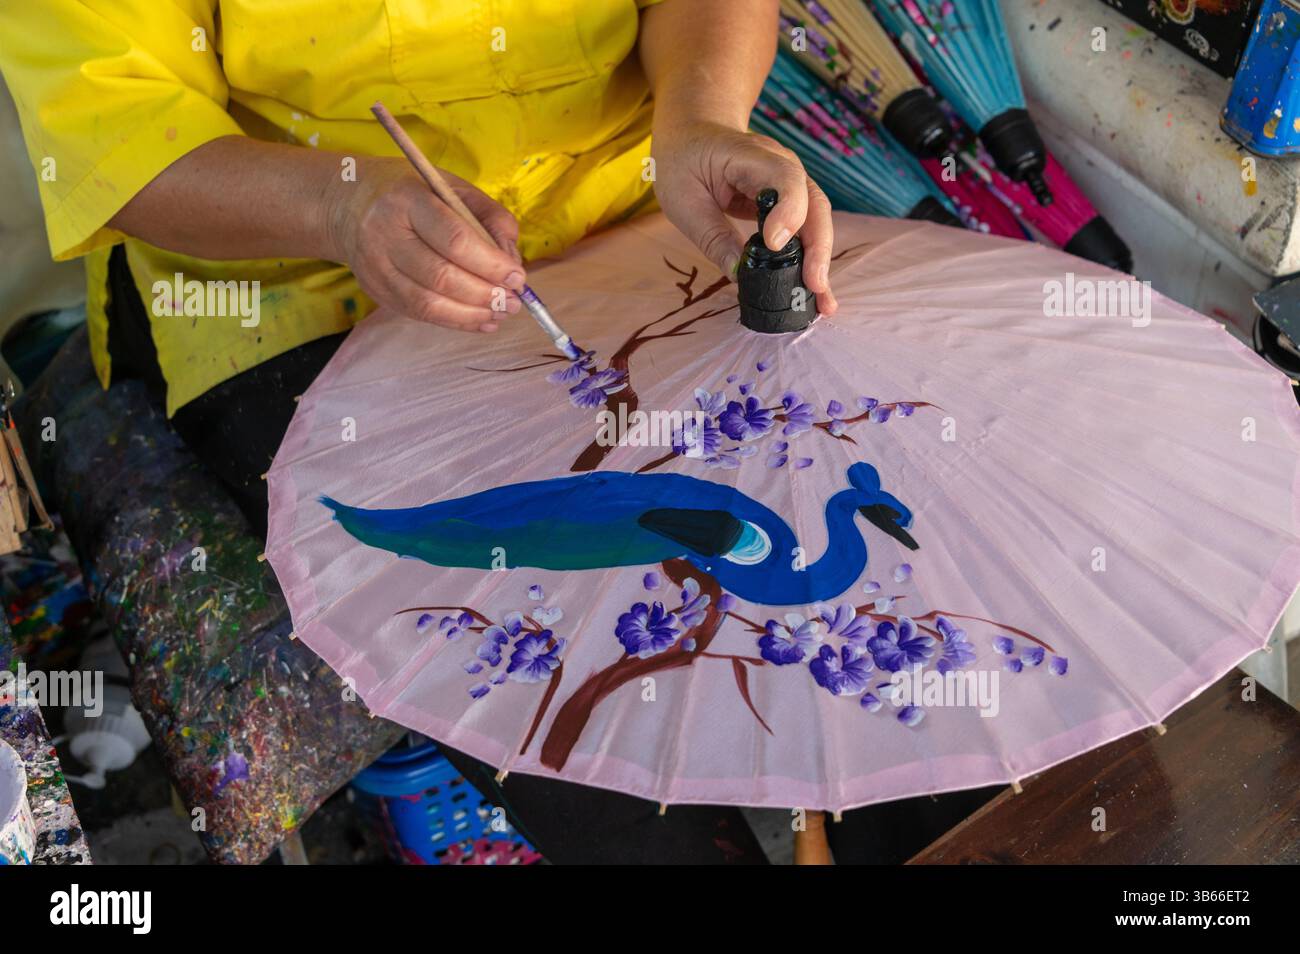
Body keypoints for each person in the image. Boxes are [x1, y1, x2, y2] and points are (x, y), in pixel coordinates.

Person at [0, 0, 982, 864]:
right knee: (562, 689)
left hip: (640, 206)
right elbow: (112, 146)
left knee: (917, 656)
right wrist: (343, 205)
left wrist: (701, 114)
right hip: (297, 277)